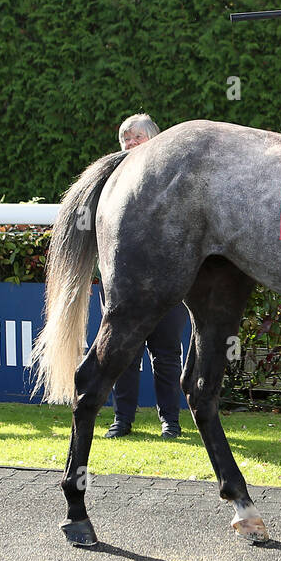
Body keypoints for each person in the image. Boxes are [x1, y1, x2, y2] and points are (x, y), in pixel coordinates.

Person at [103, 114, 190, 439]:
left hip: (168, 282)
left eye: (136, 137)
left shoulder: (175, 179)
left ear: (155, 139)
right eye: (125, 138)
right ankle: (122, 420)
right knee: (123, 354)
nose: (129, 144)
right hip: (126, 284)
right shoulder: (112, 178)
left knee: (167, 357)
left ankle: (171, 421)